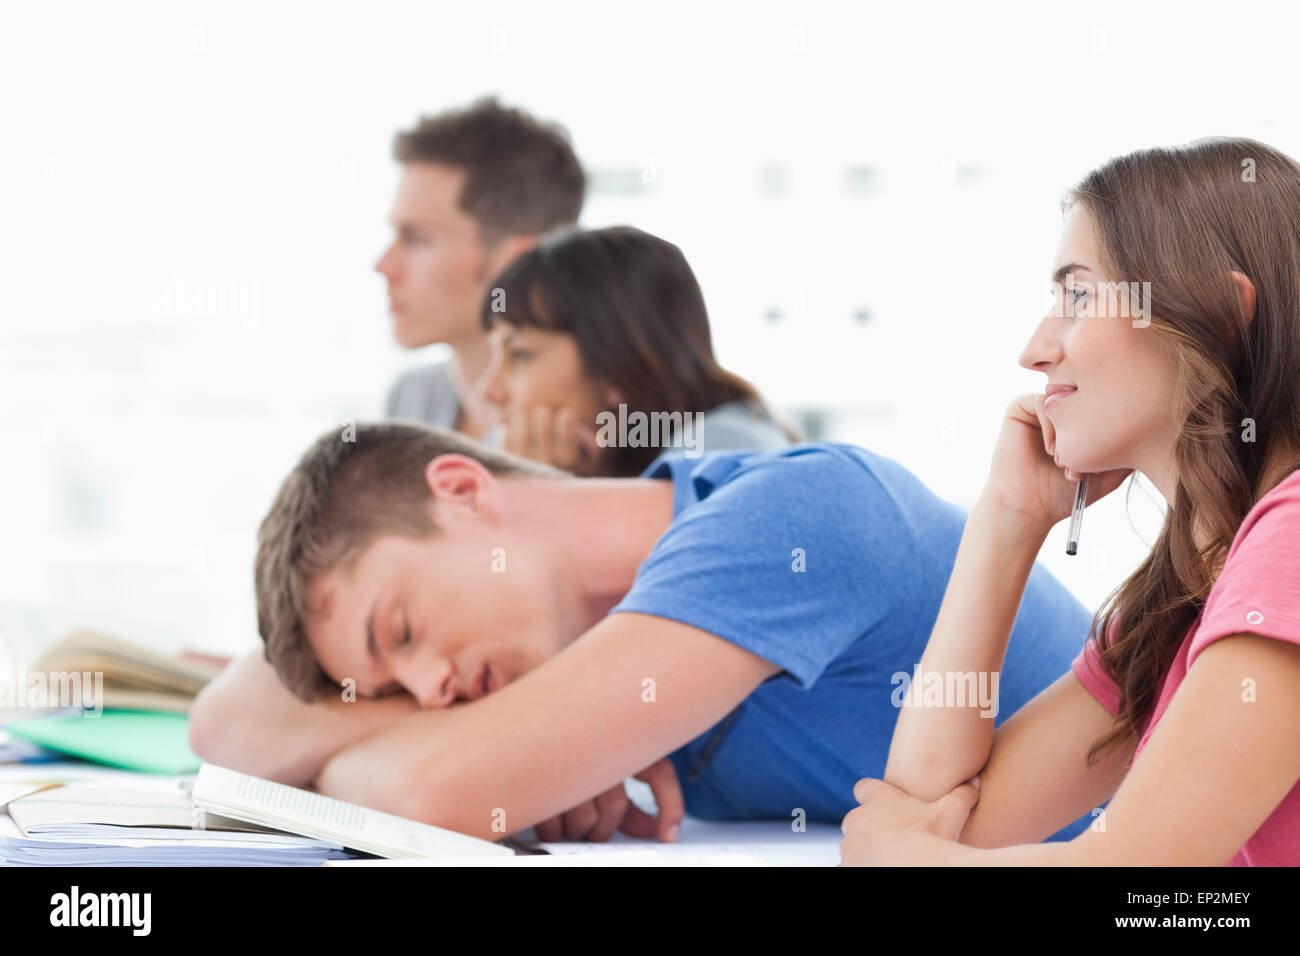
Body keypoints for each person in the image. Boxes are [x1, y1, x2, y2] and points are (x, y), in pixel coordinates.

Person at [190, 421, 1098, 844]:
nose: (428, 691)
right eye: (394, 694)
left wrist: (451, 765)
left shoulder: (789, 518)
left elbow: (436, 796)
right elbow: (225, 727)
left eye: (404, 629)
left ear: (463, 492)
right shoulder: (628, 643)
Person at [840, 137, 1300, 866]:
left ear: (1219, 315)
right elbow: (935, 806)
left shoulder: (1295, 538)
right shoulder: (1176, 609)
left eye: (1078, 296)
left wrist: (909, 861)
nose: (1034, 349)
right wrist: (1008, 522)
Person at [479, 225, 796, 476]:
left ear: (616, 365)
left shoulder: (719, 454)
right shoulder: (606, 458)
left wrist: (543, 496)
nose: (489, 390)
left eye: (520, 354)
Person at [375, 97, 586, 440]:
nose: (384, 266)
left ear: (516, 264)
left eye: (417, 239)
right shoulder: (411, 402)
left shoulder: (612, 427)